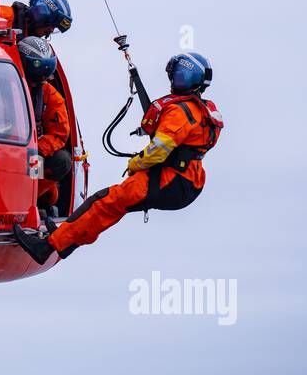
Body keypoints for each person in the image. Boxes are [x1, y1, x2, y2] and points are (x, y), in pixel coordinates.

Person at [13, 51, 223, 264]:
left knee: (103, 203)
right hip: (190, 181)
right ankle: (61, 236)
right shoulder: (202, 110)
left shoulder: (179, 111)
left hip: (170, 178)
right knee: (107, 208)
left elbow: (160, 149)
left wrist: (135, 163)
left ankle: (47, 247)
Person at [17, 36, 73, 212]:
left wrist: (35, 149)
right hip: (3, 150)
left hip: (30, 154)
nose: (40, 83)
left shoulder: (51, 96)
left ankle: (29, 200)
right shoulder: (4, 83)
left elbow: (60, 134)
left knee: (60, 161)